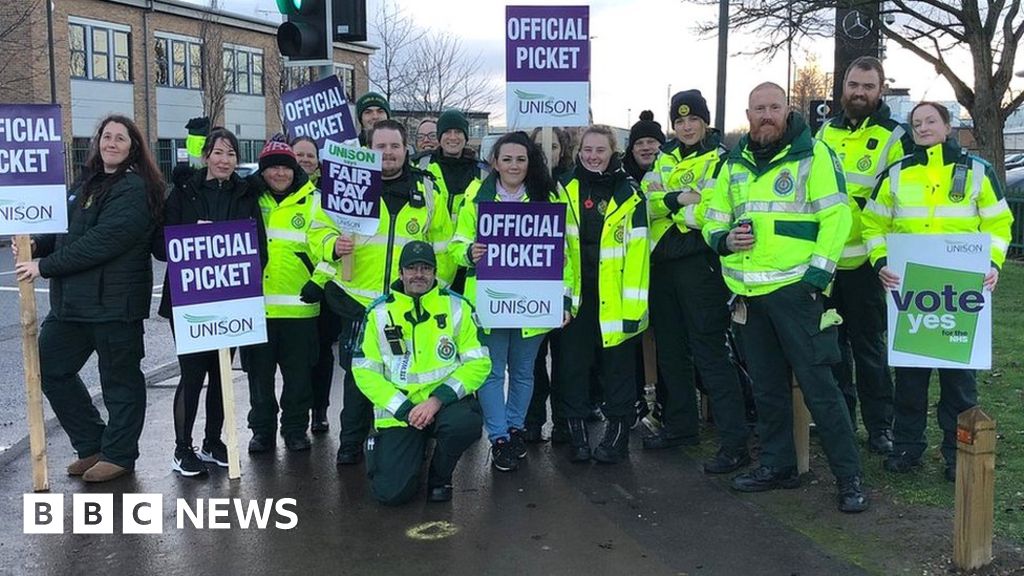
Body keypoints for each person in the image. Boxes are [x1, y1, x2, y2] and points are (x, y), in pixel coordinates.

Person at [702, 82, 868, 513]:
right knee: (769, 390)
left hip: (797, 292)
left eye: (774, 107)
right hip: (748, 295)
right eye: (759, 109)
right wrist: (723, 239)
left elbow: (837, 216)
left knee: (820, 388)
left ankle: (850, 478)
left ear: (787, 110)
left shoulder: (813, 155)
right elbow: (712, 217)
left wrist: (816, 277)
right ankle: (778, 466)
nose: (766, 115)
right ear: (748, 113)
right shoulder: (733, 163)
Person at [862, 101, 1014, 482]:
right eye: (917, 123)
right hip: (912, 290)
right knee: (910, 381)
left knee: (959, 384)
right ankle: (907, 448)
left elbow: (999, 224)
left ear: (948, 127)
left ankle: (955, 452)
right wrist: (881, 262)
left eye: (931, 121)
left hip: (961, 292)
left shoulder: (979, 172)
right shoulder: (895, 174)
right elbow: (872, 224)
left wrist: (992, 264)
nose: (924, 127)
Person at [14, 115, 164, 482]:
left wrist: (44, 265)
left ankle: (119, 454)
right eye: (106, 136)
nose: (111, 143)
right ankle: (92, 443)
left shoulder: (134, 188)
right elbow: (63, 229)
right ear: (98, 142)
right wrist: (36, 242)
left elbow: (101, 243)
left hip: (115, 306)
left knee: (120, 383)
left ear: (133, 148)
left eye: (120, 139)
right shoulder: (85, 181)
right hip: (72, 306)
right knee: (49, 368)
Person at [326, 119, 455, 465]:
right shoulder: (347, 184)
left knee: (404, 372)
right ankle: (351, 442)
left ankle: (402, 436)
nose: (388, 153)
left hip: (406, 304)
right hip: (359, 300)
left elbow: (441, 246)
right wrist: (330, 245)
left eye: (394, 146)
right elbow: (318, 227)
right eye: (380, 146)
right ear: (368, 149)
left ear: (406, 149)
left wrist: (434, 293)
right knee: (358, 376)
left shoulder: (427, 189)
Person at [641, 92, 753, 474]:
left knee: (710, 354)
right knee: (670, 350)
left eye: (693, 120)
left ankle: (735, 442)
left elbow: (713, 208)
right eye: (679, 120)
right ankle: (680, 426)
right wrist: (679, 200)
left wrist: (674, 207)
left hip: (701, 263)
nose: (686, 127)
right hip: (664, 265)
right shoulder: (663, 157)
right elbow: (647, 201)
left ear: (705, 121)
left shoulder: (722, 158)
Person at [449, 132, 574, 471]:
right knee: (491, 372)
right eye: (507, 159)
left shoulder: (547, 196)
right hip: (490, 301)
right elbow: (455, 242)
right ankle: (499, 436)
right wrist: (467, 252)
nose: (514, 165)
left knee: (523, 372)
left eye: (521, 159)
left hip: (535, 299)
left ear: (530, 161)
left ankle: (516, 428)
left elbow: (566, 254)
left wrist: (565, 299)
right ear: (495, 162)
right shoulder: (477, 195)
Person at [152, 127, 265, 477]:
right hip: (188, 300)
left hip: (230, 299)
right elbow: (159, 245)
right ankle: (182, 448)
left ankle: (212, 441)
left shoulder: (246, 195)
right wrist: (191, 236)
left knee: (221, 374)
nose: (225, 160)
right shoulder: (183, 193)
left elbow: (259, 248)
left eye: (231, 153)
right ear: (206, 157)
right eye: (218, 152)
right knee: (192, 373)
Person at [817, 56, 913, 454]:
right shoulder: (824, 131)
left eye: (868, 87)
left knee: (869, 350)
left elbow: (901, 197)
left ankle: (879, 428)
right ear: (843, 87)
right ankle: (840, 424)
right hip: (827, 262)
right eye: (854, 85)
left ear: (880, 90)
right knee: (832, 350)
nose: (859, 93)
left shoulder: (895, 135)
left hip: (869, 264)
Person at [352, 241, 489, 504]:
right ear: (401, 273)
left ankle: (440, 477)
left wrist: (437, 400)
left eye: (425, 268)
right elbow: (364, 371)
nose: (418, 274)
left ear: (435, 272)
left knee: (465, 424)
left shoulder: (457, 307)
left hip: (443, 404)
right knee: (390, 495)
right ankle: (399, 447)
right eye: (412, 268)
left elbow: (479, 362)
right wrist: (403, 408)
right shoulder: (378, 313)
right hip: (400, 410)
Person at [559, 124, 650, 464]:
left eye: (600, 150)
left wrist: (634, 308)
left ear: (612, 152)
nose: (593, 156)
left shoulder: (630, 193)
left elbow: (639, 255)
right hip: (575, 295)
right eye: (587, 149)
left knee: (618, 368)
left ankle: (618, 433)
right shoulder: (563, 188)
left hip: (616, 297)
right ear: (578, 151)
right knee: (573, 365)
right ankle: (577, 432)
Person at [242, 139, 337, 454]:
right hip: (257, 309)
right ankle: (262, 431)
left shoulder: (315, 201)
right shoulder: (249, 199)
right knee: (259, 381)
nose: (279, 173)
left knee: (298, 380)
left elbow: (331, 248)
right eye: (272, 167)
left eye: (285, 166)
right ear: (263, 171)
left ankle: (295, 429)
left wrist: (319, 281)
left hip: (300, 308)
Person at [525, 125, 577, 444]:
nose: (548, 153)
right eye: (541, 147)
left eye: (554, 146)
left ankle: (564, 421)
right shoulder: (519, 187)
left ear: (563, 151)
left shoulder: (572, 185)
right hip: (528, 289)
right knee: (531, 363)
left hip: (564, 287)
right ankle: (532, 420)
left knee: (565, 361)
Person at [289, 135, 339, 434]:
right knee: (296, 360)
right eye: (299, 154)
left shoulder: (330, 194)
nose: (305, 160)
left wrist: (319, 279)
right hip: (284, 294)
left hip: (323, 289)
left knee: (321, 354)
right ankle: (294, 414)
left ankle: (319, 411)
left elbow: (337, 242)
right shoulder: (268, 192)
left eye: (310, 155)